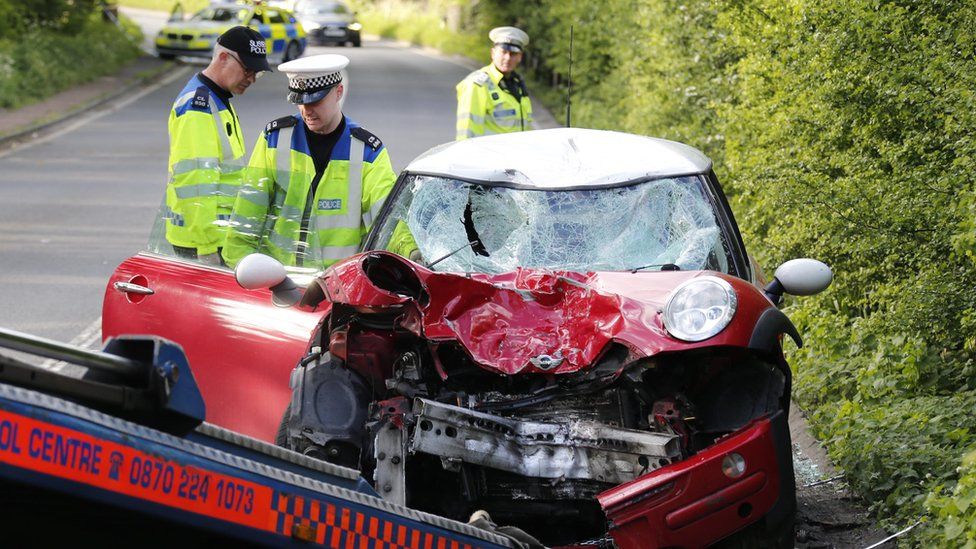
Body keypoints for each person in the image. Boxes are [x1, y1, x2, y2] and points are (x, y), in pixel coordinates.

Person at [222, 54, 397, 270]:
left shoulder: (367, 151)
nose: (306, 110)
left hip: (337, 282)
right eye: (300, 101)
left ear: (338, 92)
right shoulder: (275, 138)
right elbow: (248, 207)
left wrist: (412, 252)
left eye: (315, 101)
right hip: (277, 277)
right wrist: (240, 265)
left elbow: (390, 219)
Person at [164, 26, 271, 265]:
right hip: (204, 241)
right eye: (248, 69)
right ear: (223, 57)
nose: (252, 78)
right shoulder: (198, 106)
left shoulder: (217, 99)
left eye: (257, 73)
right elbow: (196, 181)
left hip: (217, 235)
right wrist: (206, 247)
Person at [455, 26, 534, 141]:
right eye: (503, 52)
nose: (507, 58)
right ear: (493, 53)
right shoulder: (477, 84)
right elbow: (466, 132)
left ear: (520, 57)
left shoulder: (517, 84)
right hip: (489, 153)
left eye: (513, 54)